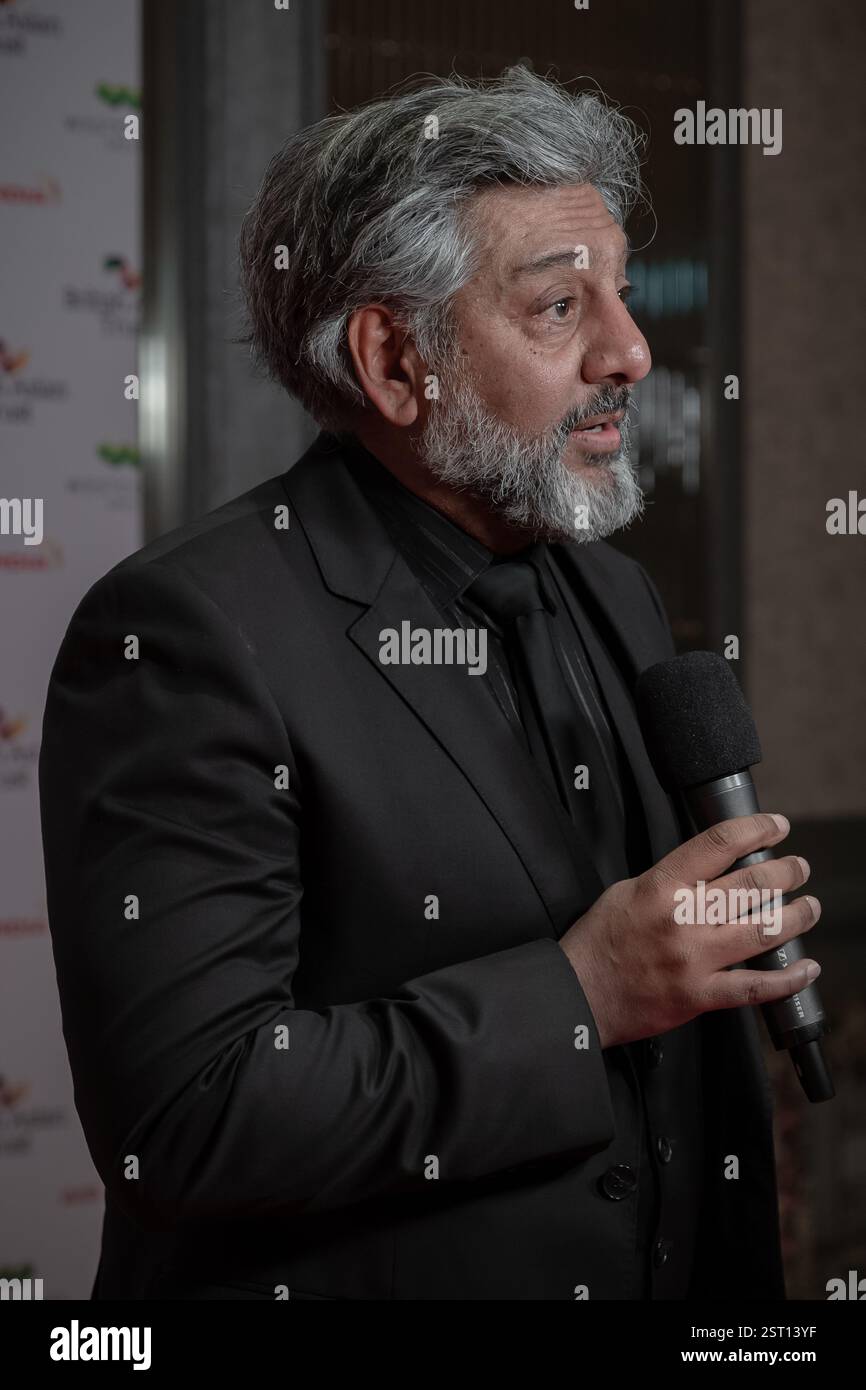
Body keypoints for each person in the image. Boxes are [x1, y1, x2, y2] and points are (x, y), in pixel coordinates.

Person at [39, 66, 820, 1301]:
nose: (629, 348)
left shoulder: (608, 593)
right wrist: (584, 993)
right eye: (561, 306)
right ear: (396, 361)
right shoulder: (186, 632)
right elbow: (188, 1118)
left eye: (616, 292)